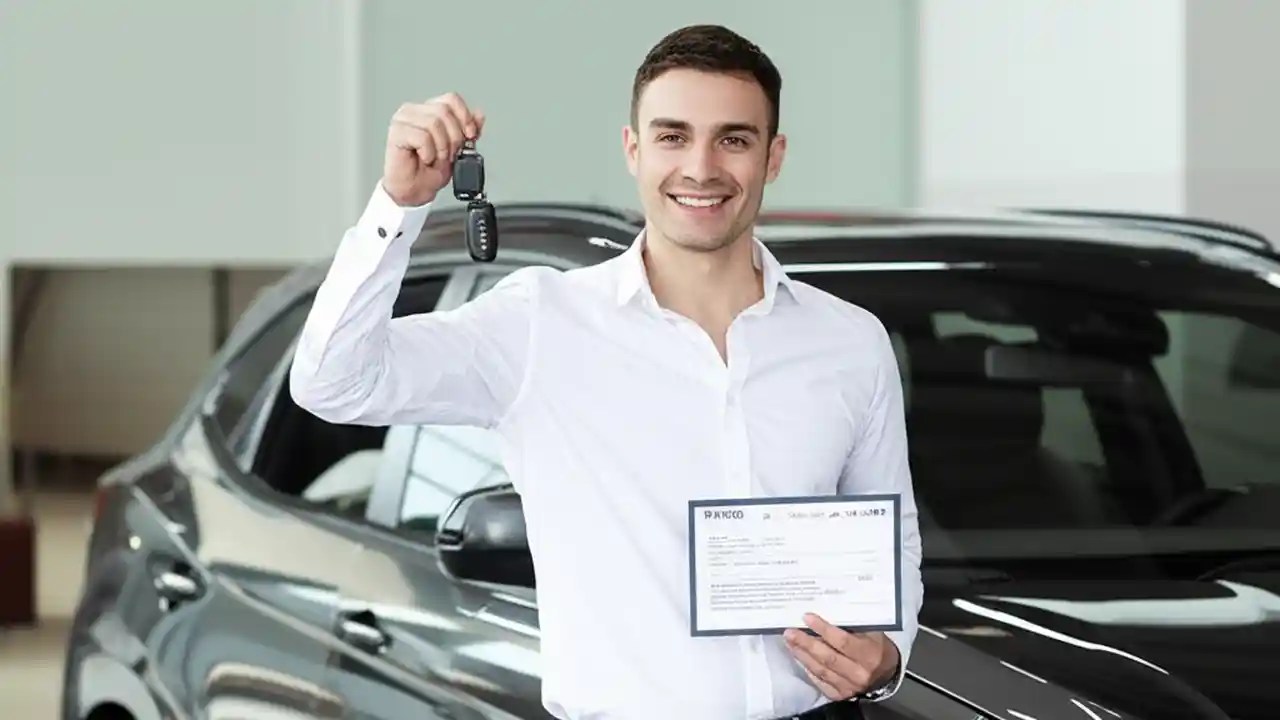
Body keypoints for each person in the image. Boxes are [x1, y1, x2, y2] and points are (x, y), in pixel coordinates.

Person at [290, 23, 923, 720]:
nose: (702, 167)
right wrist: (398, 204)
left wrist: (888, 654)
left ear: (773, 157)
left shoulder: (850, 343)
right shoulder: (541, 325)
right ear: (634, 149)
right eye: (673, 136)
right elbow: (333, 382)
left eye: (734, 139)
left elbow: (891, 540)